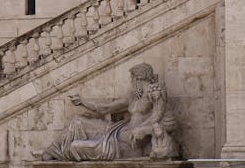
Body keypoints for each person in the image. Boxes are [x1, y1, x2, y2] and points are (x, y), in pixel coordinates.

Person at [37, 62, 178, 161]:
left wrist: (145, 130)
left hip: (124, 144)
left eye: (132, 79)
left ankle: (57, 152)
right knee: (77, 121)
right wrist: (83, 102)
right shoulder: (133, 96)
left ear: (138, 79)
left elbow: (169, 123)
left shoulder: (156, 94)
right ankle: (52, 150)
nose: (131, 82)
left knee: (75, 146)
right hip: (116, 131)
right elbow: (106, 108)